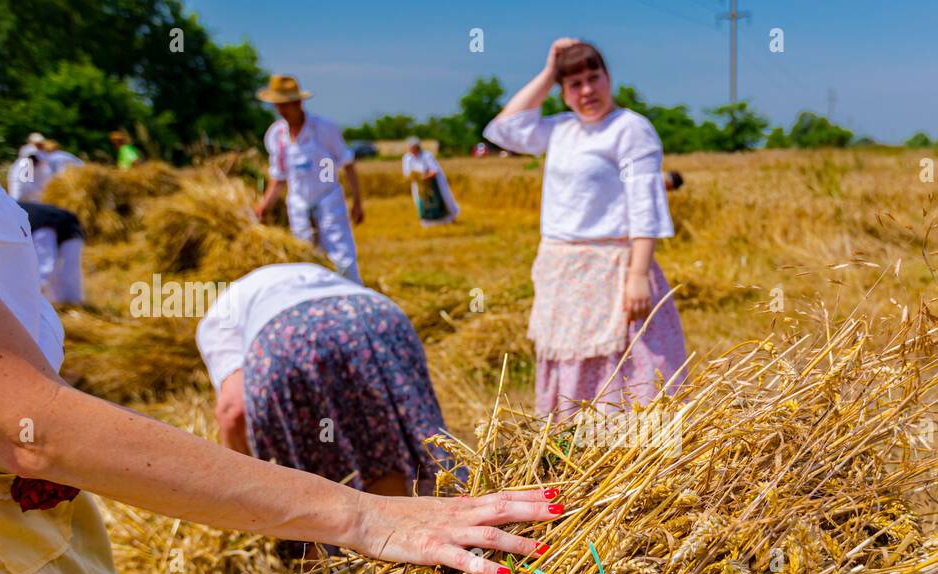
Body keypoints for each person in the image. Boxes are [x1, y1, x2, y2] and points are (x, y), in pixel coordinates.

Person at [0, 156, 563, 574]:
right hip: (384, 321)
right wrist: (363, 509)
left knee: (312, 464)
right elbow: (27, 424)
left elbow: (232, 408)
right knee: (395, 450)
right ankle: (412, 566)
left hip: (287, 347)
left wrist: (256, 488)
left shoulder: (220, 317)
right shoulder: (300, 278)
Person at [483, 39, 687, 421]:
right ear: (562, 93)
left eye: (594, 78)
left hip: (614, 267)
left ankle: (625, 461)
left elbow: (645, 203)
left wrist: (639, 274)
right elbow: (503, 129)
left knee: (622, 370)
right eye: (574, 84)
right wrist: (549, 69)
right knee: (570, 365)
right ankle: (573, 452)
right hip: (562, 271)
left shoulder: (629, 129)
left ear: (609, 78)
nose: (587, 91)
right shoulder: (561, 129)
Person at [197, 263, 456, 497]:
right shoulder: (308, 271)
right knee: (381, 439)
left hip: (292, 334)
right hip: (378, 315)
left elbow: (234, 411)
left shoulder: (217, 318)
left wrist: (243, 498)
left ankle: (334, 542)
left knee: (317, 460)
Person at [253, 75, 364, 283]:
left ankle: (351, 295)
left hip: (328, 200)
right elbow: (278, 178)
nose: (281, 111)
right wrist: (264, 206)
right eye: (277, 106)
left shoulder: (324, 128)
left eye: (285, 105)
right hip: (298, 206)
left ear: (298, 103)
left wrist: (357, 202)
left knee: (342, 258)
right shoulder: (276, 135)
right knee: (306, 261)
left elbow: (347, 164)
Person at [18, 201, 85, 306]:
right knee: (69, 273)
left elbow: (45, 265)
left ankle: (42, 303)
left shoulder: (14, 212)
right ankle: (70, 304)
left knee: (47, 269)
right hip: (71, 226)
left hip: (49, 225)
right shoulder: (20, 207)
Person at [402, 137, 460, 226]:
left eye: (413, 147)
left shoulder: (427, 155)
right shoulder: (407, 158)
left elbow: (434, 171)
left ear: (417, 147)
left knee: (439, 201)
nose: (411, 149)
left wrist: (424, 177)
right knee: (420, 202)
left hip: (433, 184)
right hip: (419, 186)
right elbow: (407, 173)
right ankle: (427, 221)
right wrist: (416, 178)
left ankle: (446, 219)